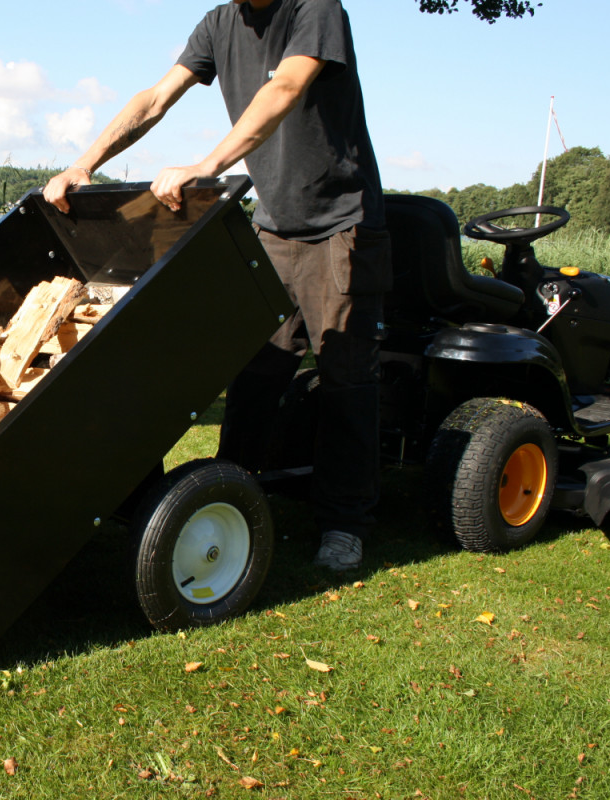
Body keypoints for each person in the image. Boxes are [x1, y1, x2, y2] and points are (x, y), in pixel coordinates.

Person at [43, 0, 391, 571]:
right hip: (274, 228)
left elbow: (284, 90)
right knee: (253, 372)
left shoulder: (317, 9)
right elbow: (155, 99)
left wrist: (206, 165)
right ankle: (233, 497)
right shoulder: (218, 23)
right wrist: (86, 162)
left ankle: (344, 523)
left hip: (340, 227)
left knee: (345, 380)